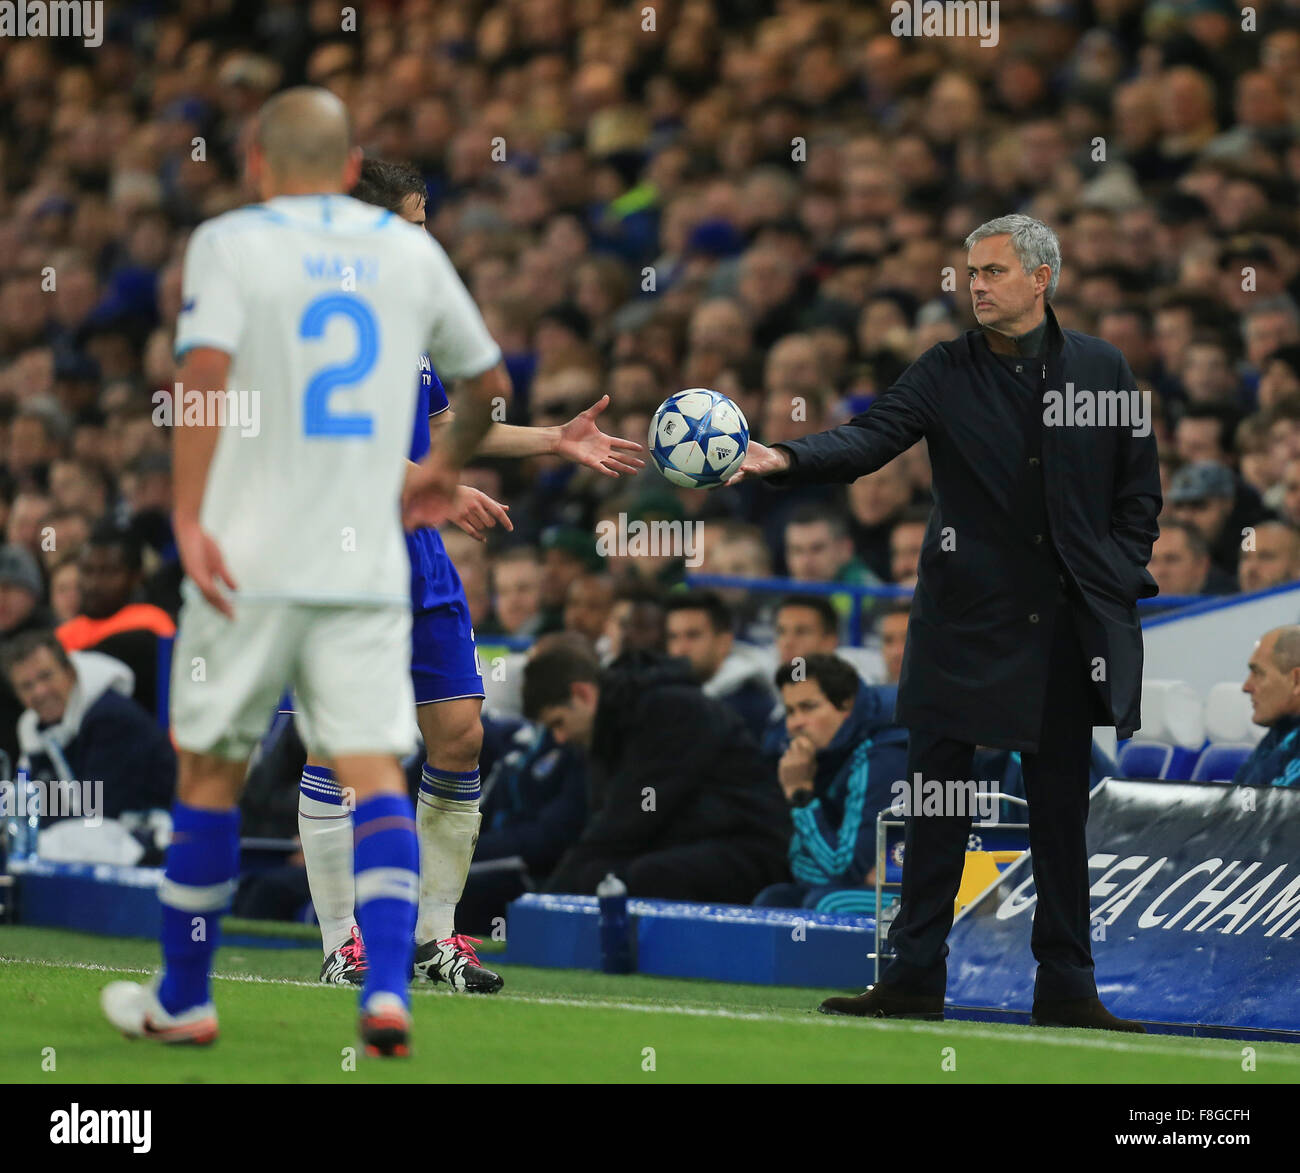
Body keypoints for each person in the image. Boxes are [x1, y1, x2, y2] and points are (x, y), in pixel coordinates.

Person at [100, 87, 509, 1057]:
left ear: (256, 165)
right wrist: (440, 480)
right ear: (346, 167)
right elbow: (487, 387)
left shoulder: (232, 244)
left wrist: (189, 517)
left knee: (208, 775)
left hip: (255, 538)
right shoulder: (409, 254)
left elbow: (201, 385)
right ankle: (387, 994)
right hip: (364, 553)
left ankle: (187, 999)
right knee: (374, 766)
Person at [731, 214, 1158, 1032]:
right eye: (970, 273)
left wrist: (1116, 572)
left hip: (1065, 631)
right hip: (961, 626)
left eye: (993, 272)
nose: (976, 285)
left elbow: (1139, 494)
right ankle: (914, 977)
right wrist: (783, 457)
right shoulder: (943, 370)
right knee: (935, 808)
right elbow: (869, 439)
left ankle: (1067, 988)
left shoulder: (1104, 369)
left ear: (1041, 278)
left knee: (1060, 815)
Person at [292, 157, 642, 993]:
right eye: (411, 222)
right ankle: (345, 945)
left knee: (459, 734)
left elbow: (446, 426)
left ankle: (434, 939)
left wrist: (553, 438)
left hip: (411, 548)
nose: (424, 237)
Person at [526, 643, 790, 904]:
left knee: (642, 877)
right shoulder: (608, 731)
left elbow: (628, 823)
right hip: (699, 842)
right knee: (598, 874)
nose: (559, 738)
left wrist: (546, 904)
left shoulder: (668, 709)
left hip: (754, 848)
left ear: (583, 694)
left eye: (558, 723)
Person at [754, 654, 909, 916]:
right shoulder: (823, 754)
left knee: (828, 905)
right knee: (775, 900)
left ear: (846, 704)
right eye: (790, 711)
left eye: (808, 707)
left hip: (927, 893)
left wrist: (800, 796)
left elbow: (845, 870)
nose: (795, 724)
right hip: (861, 884)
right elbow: (799, 863)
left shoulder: (884, 752)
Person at [3, 629, 175, 833]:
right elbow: (29, 809)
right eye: (26, 686)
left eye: (46, 676)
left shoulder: (111, 718)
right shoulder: (35, 731)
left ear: (70, 671)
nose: (40, 691)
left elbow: (97, 813)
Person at [56, 520, 177, 718]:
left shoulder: (152, 621)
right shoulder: (64, 633)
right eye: (87, 571)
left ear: (136, 577)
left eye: (108, 572)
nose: (94, 584)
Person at [664, 590, 773, 743]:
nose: (680, 649)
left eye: (693, 635)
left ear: (724, 643)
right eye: (673, 637)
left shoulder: (749, 703)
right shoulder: (663, 692)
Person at [1235, 625, 1300, 788]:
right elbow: (1236, 802)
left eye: (1258, 673)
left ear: (1297, 680)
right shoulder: (1279, 734)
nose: (1246, 687)